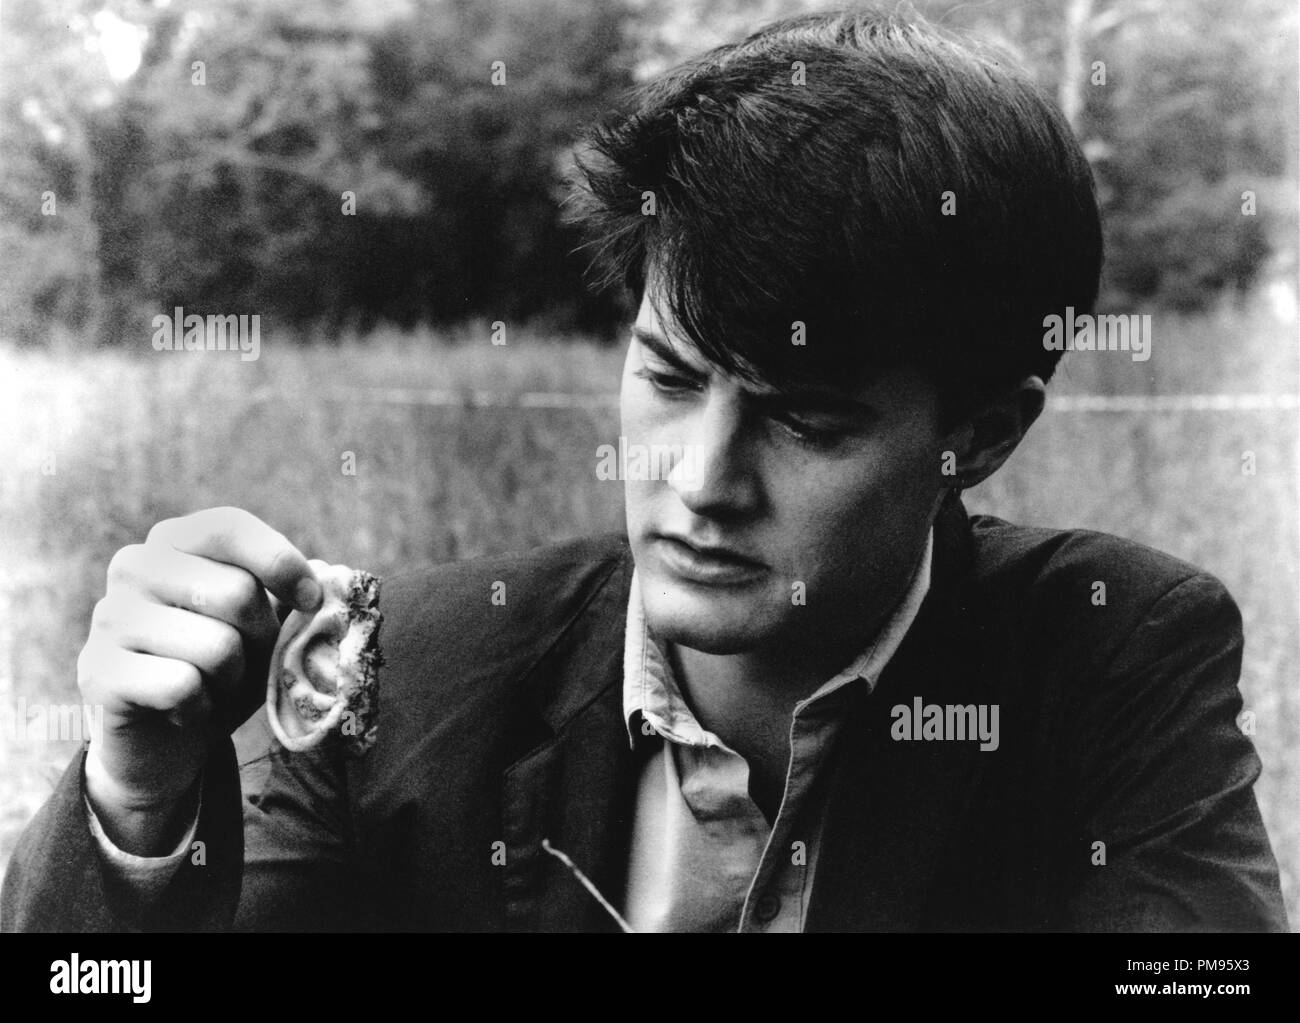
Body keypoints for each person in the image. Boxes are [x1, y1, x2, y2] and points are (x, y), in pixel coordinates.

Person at [2, 6, 1287, 933]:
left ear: (983, 436)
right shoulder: (407, 680)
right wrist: (137, 795)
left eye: (808, 421)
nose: (698, 479)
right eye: (670, 378)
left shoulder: (1113, 658)